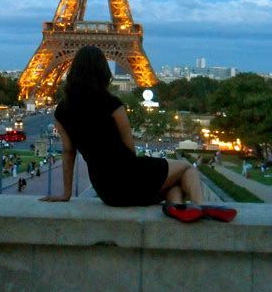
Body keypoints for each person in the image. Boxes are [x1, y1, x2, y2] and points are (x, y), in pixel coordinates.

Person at [40, 46, 236, 223]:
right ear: (103, 72)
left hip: (106, 190)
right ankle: (200, 206)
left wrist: (66, 194)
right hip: (130, 175)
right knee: (186, 169)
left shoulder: (62, 111)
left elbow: (68, 152)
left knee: (172, 183)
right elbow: (130, 148)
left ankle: (176, 207)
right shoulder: (112, 104)